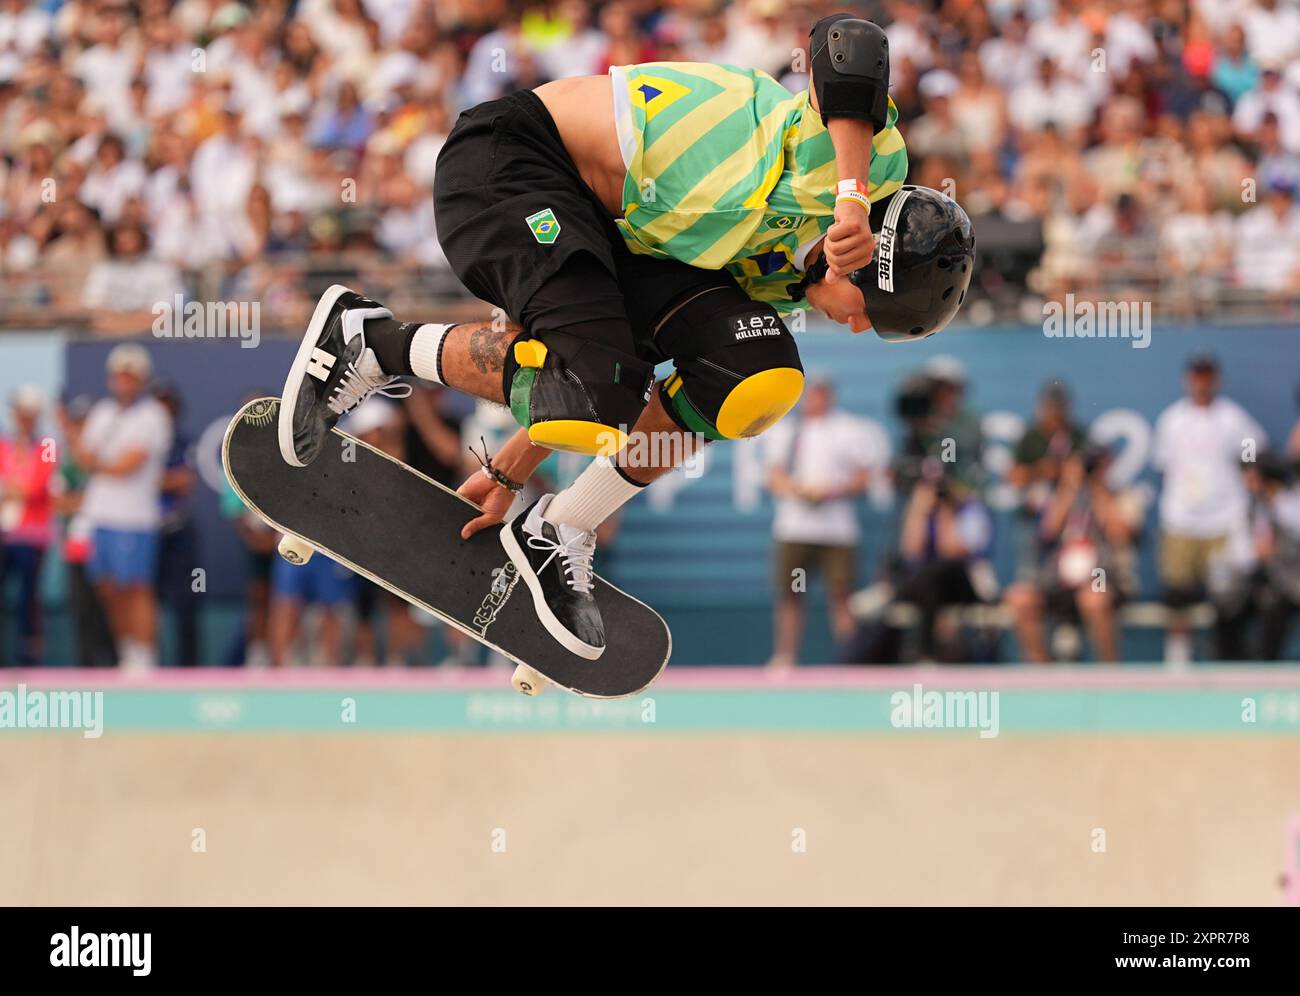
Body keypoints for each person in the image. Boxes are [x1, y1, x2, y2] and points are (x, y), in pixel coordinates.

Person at [274, 16, 975, 661]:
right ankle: (368, 341)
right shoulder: (858, 165)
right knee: (591, 394)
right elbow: (848, 41)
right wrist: (852, 197)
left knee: (753, 370)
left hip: (615, 244)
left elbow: (615, 349)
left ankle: (557, 528)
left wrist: (511, 467)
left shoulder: (779, 276)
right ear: (870, 259)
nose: (853, 325)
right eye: (868, 313)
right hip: (515, 163)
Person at [1152, 352, 1266, 664]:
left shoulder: (1233, 419)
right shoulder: (1172, 420)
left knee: (1228, 598)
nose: (1201, 382)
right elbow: (1164, 465)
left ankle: (1226, 660)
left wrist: (1249, 478)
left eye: (1207, 375)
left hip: (1223, 522)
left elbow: (1254, 458)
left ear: (1216, 379)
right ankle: (1178, 662)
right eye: (1196, 375)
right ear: (1187, 379)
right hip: (1181, 521)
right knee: (1177, 595)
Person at [73, 345, 173, 672]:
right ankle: (128, 649)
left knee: (136, 587)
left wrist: (99, 462)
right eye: (119, 376)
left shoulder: (153, 416)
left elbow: (125, 466)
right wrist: (103, 463)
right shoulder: (103, 412)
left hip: (135, 518)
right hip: (99, 515)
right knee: (108, 587)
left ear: (142, 379)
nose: (124, 382)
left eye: (130, 376)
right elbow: (83, 459)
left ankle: (145, 654)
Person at [763, 378, 871, 668]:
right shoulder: (785, 430)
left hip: (838, 531)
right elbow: (773, 476)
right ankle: (785, 657)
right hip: (794, 528)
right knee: (790, 595)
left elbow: (863, 478)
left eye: (821, 394)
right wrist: (798, 491)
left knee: (841, 594)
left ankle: (852, 660)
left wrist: (831, 491)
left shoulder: (848, 429)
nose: (815, 400)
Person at [1003, 446, 1140, 664]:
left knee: (1093, 598)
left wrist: (1097, 488)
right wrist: (1068, 486)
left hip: (1101, 575)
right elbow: (1048, 531)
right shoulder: (1060, 494)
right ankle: (1041, 673)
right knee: (1020, 598)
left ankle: (1110, 672)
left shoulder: (1121, 495)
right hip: (1060, 578)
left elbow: (1120, 534)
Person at [0, 386, 56, 666]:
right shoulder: (3, 446)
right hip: (5, 535)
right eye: (20, 414)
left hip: (32, 537)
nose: (23, 420)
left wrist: (12, 488)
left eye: (28, 415)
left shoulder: (46, 447)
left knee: (28, 599)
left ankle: (29, 660)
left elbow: (39, 486)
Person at [153, 382, 201, 667]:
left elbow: (184, 481)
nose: (163, 413)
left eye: (168, 407)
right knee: (145, 601)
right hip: (147, 532)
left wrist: (143, 477)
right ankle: (146, 666)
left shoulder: (184, 441)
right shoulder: (141, 442)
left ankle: (189, 668)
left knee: (186, 601)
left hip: (179, 530)